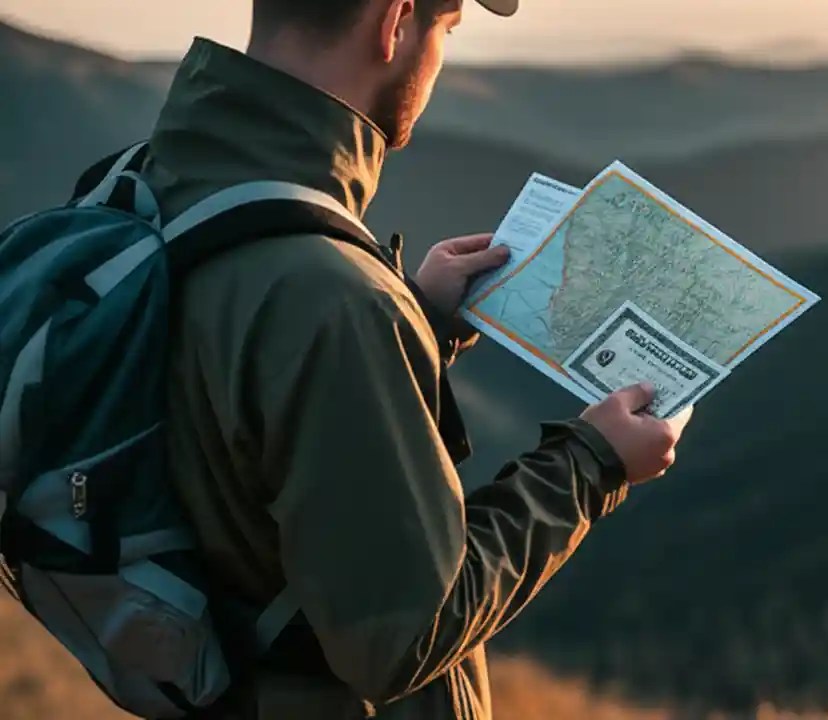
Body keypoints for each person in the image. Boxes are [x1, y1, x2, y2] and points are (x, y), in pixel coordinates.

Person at [143, 0, 693, 717]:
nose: (440, 59)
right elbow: (404, 637)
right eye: (449, 28)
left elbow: (234, 400)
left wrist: (417, 320)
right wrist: (593, 465)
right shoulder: (330, 296)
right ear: (396, 20)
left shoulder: (165, 185)